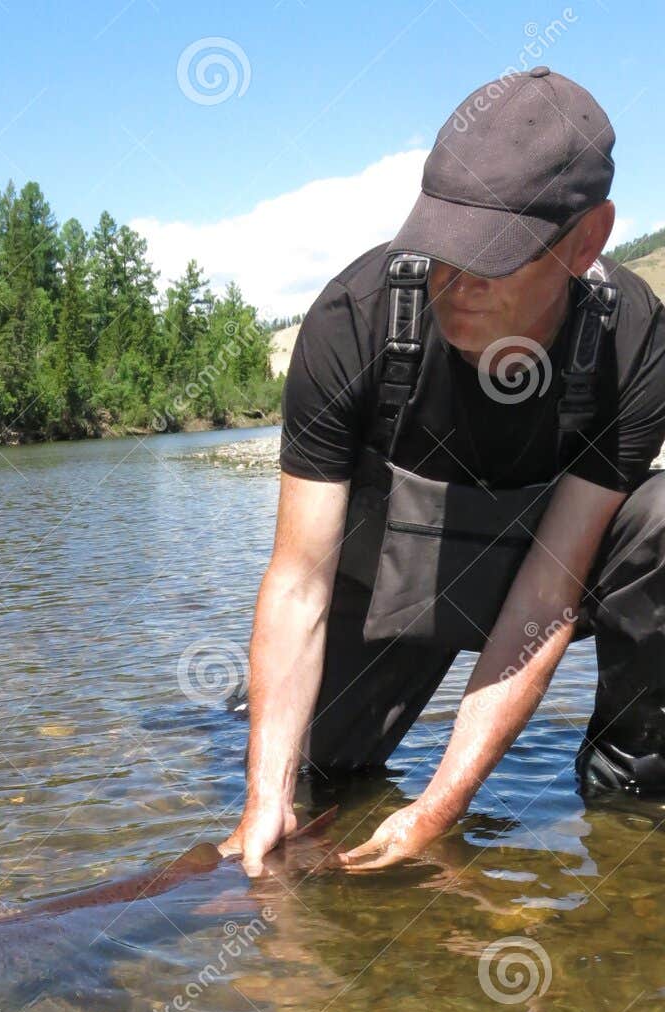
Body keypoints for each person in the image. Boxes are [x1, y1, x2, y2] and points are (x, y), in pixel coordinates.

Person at [219, 68, 665, 875]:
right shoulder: (351, 322)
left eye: (490, 260)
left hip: (535, 577)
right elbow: (296, 580)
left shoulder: (633, 343)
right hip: (396, 579)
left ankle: (633, 818)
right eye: (440, 249)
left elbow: (548, 594)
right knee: (319, 784)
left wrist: (439, 806)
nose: (451, 287)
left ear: (587, 240)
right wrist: (264, 798)